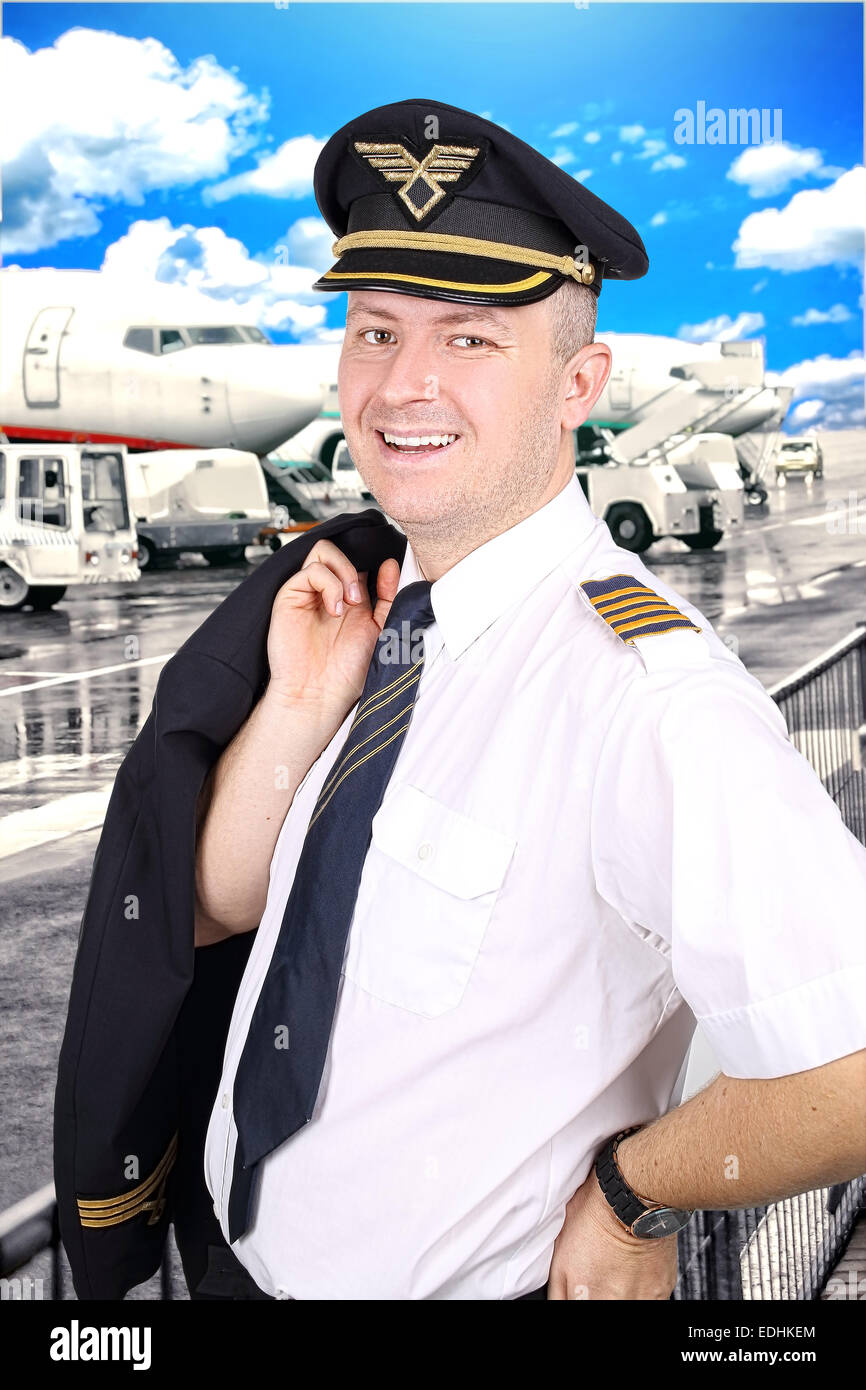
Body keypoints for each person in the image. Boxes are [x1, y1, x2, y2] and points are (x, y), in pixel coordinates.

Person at [195, 99, 866, 1301]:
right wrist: (301, 707)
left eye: (469, 340)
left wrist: (634, 1192)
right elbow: (225, 901)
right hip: (235, 1266)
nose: (401, 387)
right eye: (374, 331)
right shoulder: (386, 626)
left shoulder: (646, 698)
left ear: (577, 383)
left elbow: (853, 1071)